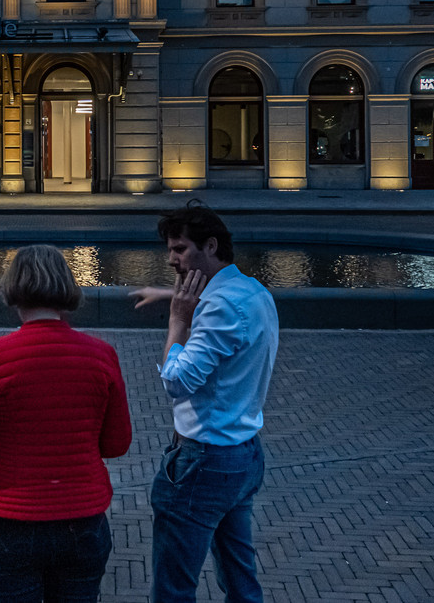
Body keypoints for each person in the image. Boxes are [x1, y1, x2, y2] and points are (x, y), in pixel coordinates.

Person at [0, 245, 133, 603]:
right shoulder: (101, 354)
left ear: (13, 287)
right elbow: (116, 444)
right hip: (83, 521)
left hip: (7, 523)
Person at [131, 203, 279, 603]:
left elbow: (178, 382)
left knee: (174, 587)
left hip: (203, 461)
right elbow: (223, 313)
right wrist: (169, 294)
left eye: (180, 249)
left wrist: (177, 319)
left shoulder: (216, 308)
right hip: (245, 455)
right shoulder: (255, 291)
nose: (171, 260)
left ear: (210, 246)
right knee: (240, 576)